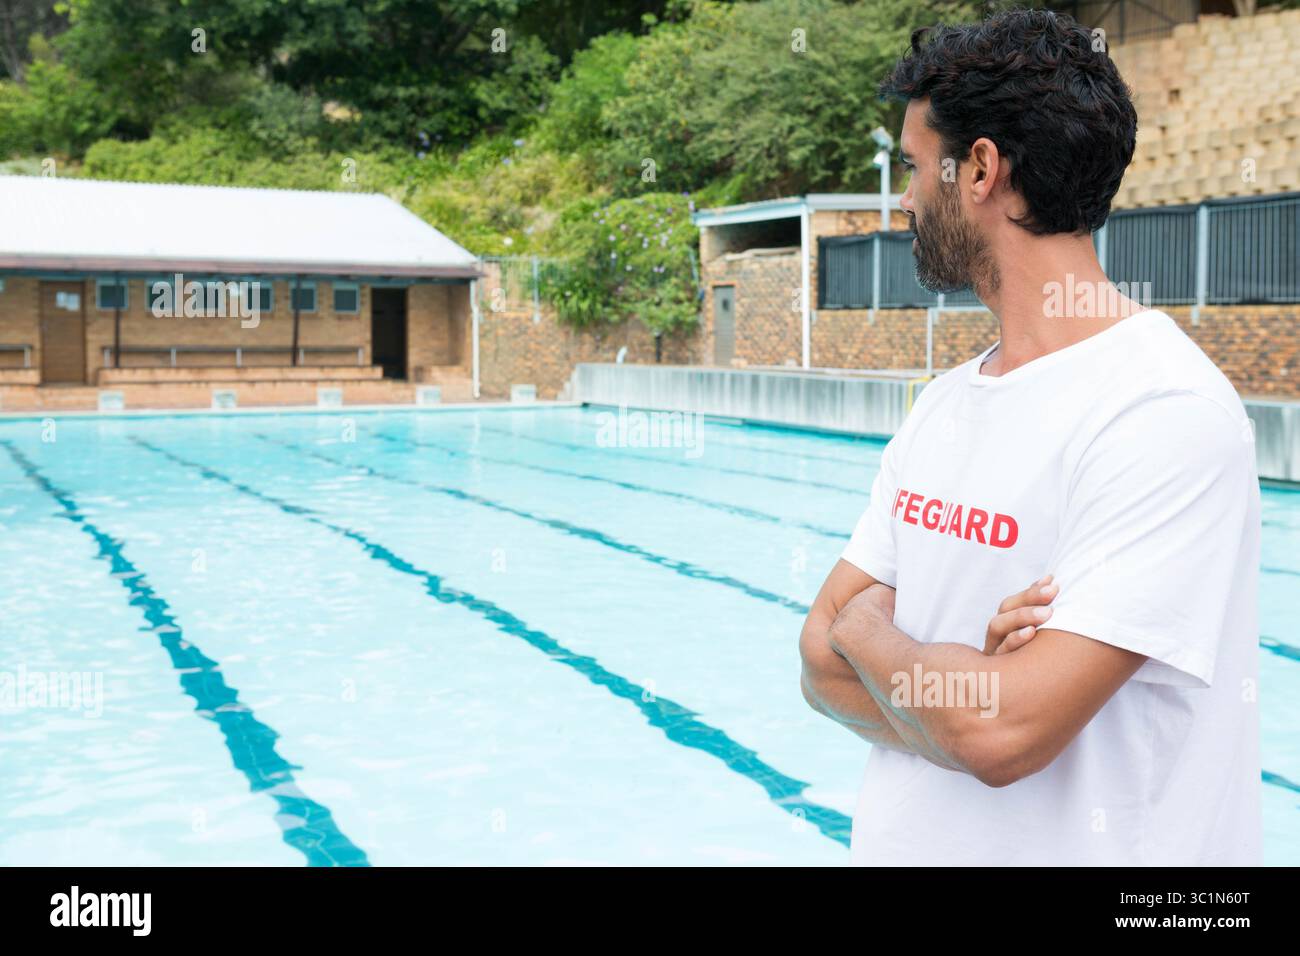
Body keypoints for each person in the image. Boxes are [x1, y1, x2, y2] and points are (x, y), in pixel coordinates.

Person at [799, 8, 1261, 865]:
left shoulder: (1161, 411)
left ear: (978, 168)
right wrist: (950, 681)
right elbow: (813, 668)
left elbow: (1000, 732)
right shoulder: (943, 404)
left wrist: (872, 637)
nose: (903, 198)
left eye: (911, 166)